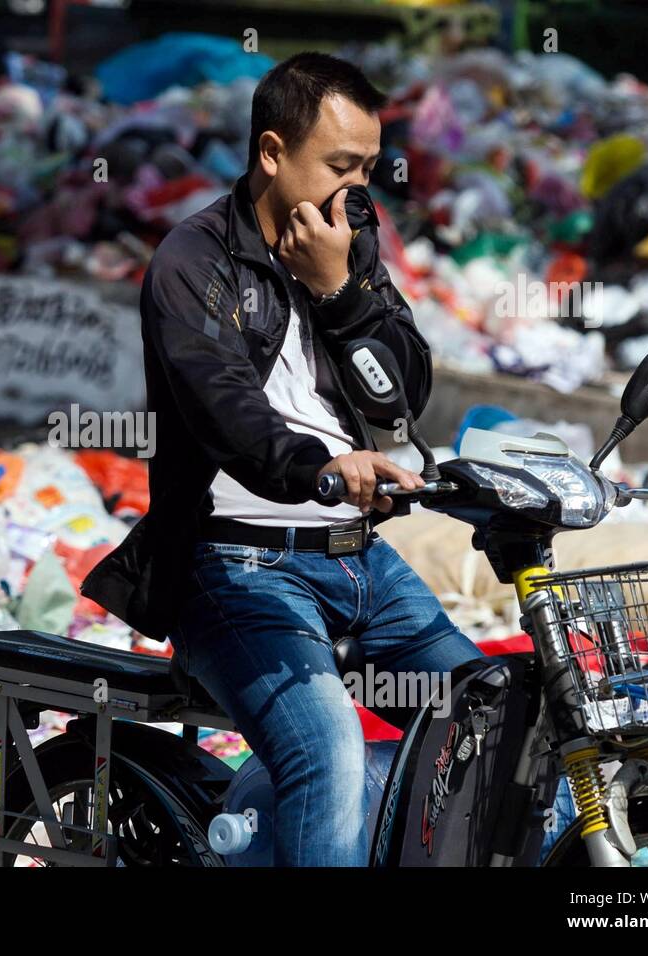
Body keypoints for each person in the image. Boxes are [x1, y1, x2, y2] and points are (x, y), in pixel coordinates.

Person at [81, 52, 484, 866]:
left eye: (368, 167)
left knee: (494, 723)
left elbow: (400, 396)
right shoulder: (192, 264)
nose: (357, 188)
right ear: (271, 152)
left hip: (362, 562)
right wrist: (324, 470)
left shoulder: (349, 243)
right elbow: (226, 413)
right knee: (329, 747)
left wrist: (338, 291)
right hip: (234, 570)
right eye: (340, 165)